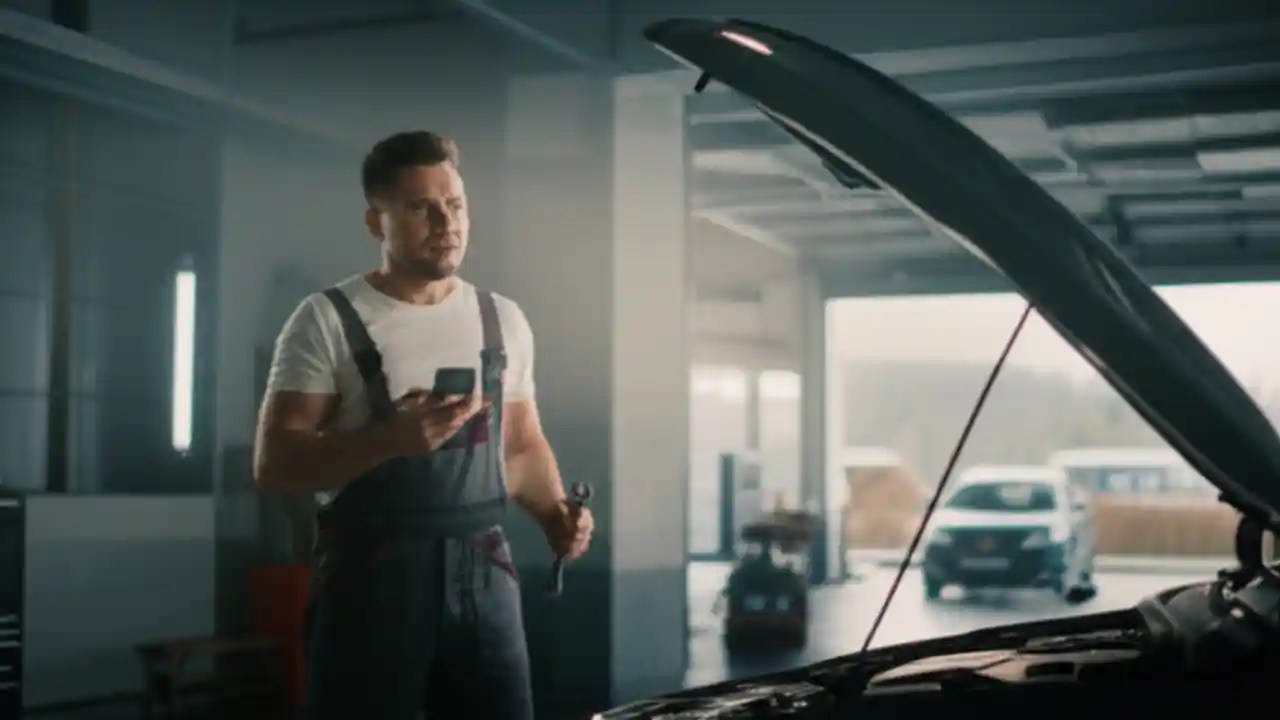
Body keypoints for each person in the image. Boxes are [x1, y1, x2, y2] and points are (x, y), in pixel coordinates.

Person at [252, 130, 594, 719]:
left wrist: (556, 516)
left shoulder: (501, 319)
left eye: (455, 204)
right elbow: (276, 464)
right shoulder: (326, 320)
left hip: (487, 573)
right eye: (420, 207)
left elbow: (518, 448)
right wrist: (389, 440)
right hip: (372, 578)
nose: (446, 222)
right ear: (374, 222)